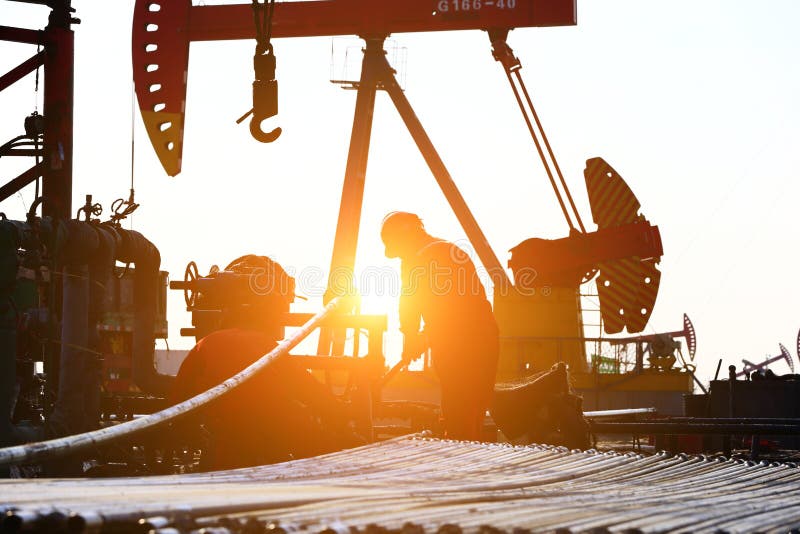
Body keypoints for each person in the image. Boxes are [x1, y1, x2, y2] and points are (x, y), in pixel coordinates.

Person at [380, 211, 499, 440]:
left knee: (458, 404)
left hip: (455, 342)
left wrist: (412, 338)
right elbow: (462, 305)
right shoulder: (452, 250)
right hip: (486, 336)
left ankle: (460, 453)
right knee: (474, 405)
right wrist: (423, 336)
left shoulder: (416, 258)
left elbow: (411, 304)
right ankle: (468, 451)